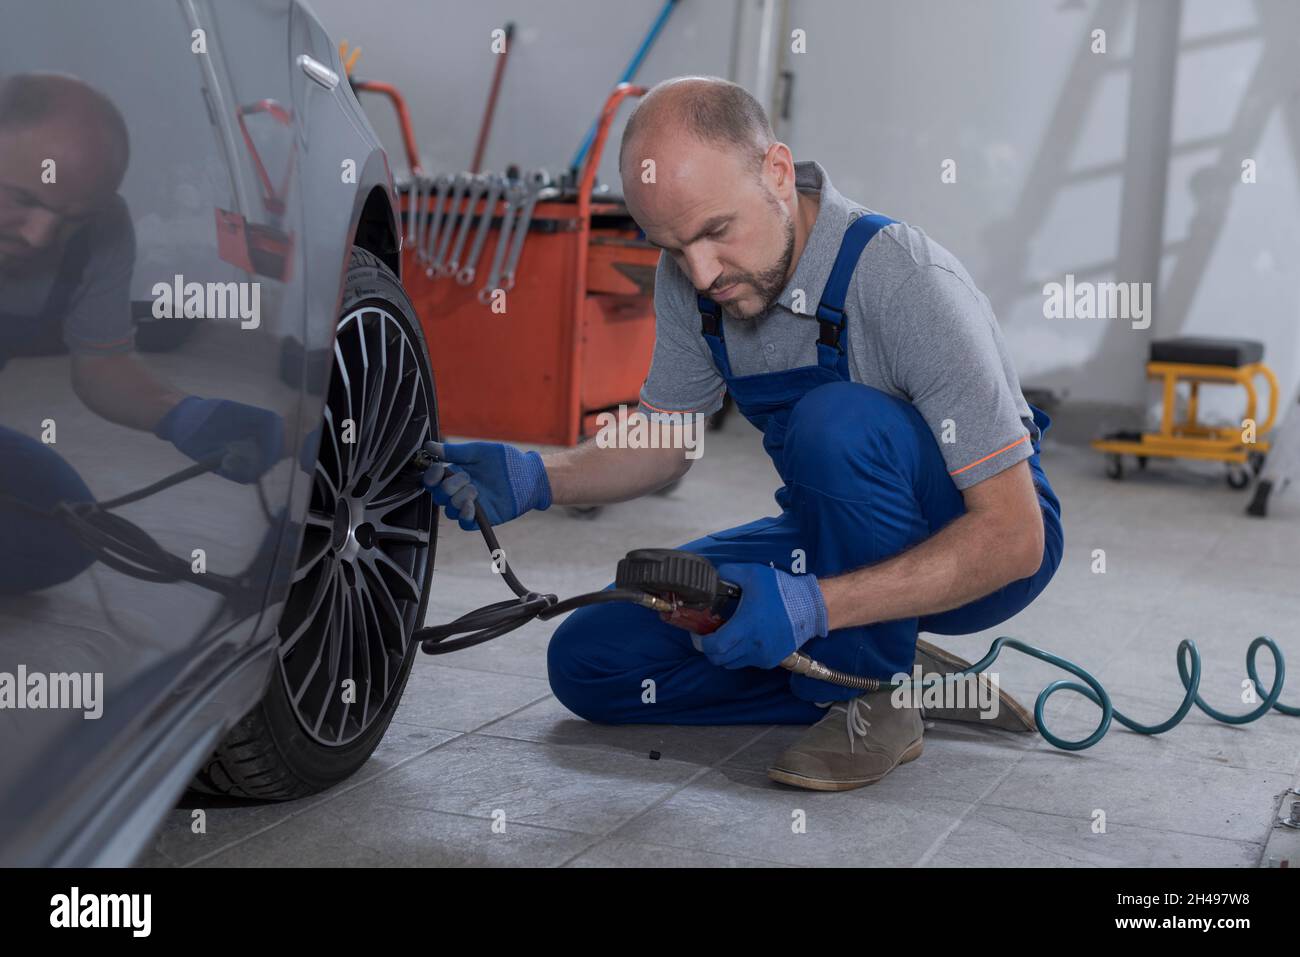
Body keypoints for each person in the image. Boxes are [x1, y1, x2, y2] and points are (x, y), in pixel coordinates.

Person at [423, 76, 1063, 791]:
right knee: (591, 663)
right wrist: (538, 477)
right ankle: (893, 670)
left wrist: (813, 606)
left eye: (715, 231)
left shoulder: (902, 280)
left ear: (778, 174)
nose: (701, 273)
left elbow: (1014, 537)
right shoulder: (694, 278)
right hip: (832, 532)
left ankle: (867, 690)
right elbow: (666, 442)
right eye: (671, 246)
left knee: (837, 421)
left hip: (981, 539)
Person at [0, 72, 282, 595]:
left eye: (69, 218)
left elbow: (101, 365)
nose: (41, 236)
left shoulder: (101, 231)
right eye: (24, 200)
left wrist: (182, 412)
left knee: (59, 537)